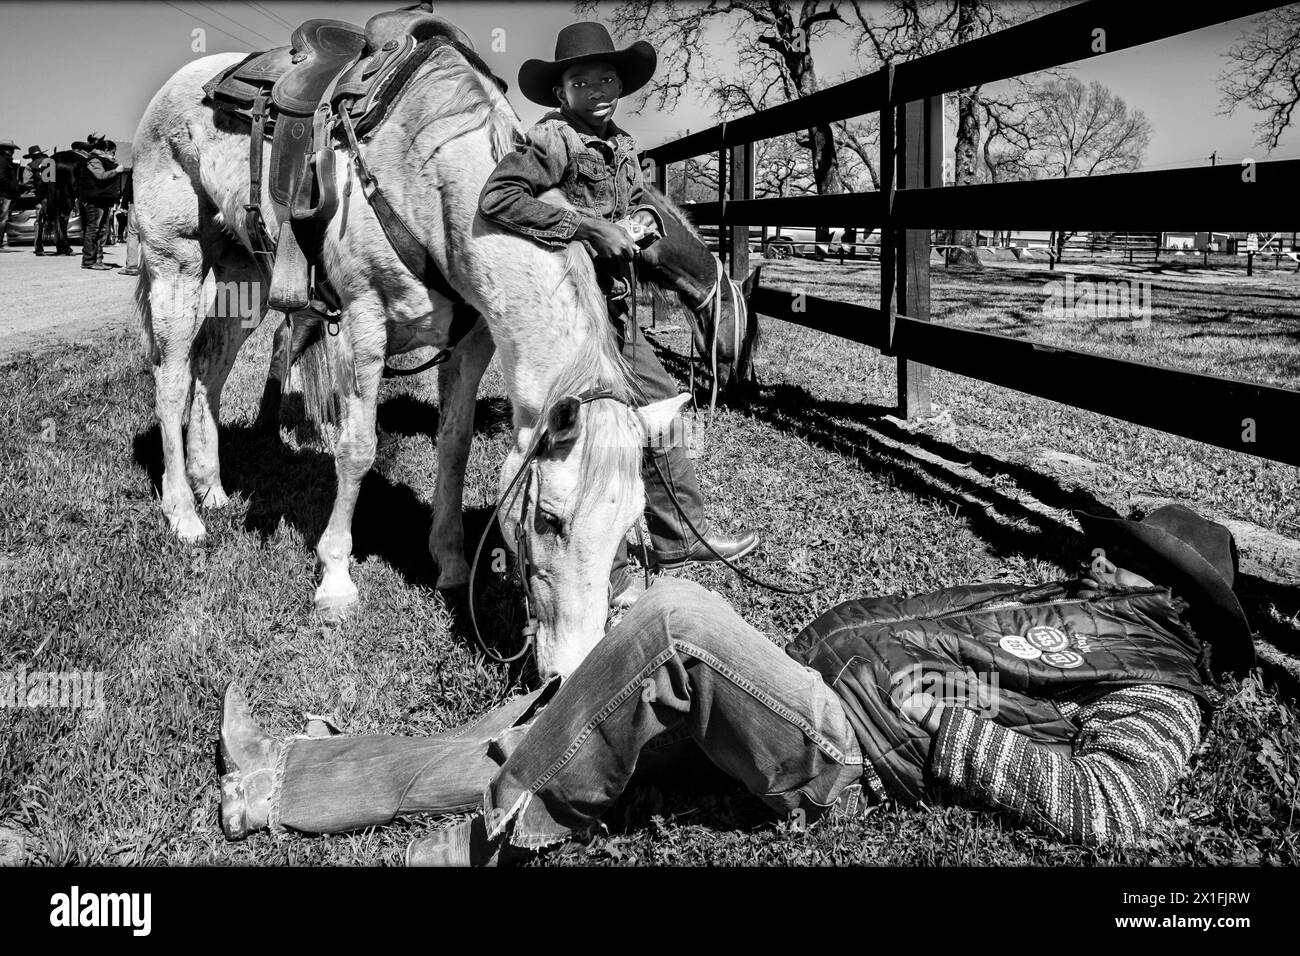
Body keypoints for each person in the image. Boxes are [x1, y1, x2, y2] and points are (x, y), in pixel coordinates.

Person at [218, 504, 1255, 864]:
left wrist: (950, 731)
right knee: (564, 702)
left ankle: (502, 828)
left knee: (673, 617)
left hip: (850, 758)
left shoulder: (1157, 684)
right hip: (817, 697)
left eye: (1129, 560)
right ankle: (285, 776)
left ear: (1169, 595)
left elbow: (1112, 810)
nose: (1102, 563)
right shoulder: (1079, 611)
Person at [478, 22, 759, 600]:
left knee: (666, 413)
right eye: (583, 80)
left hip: (622, 318)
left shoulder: (623, 145)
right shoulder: (553, 141)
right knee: (586, 439)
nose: (599, 88)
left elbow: (631, 204)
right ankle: (605, 572)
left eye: (608, 77)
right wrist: (586, 228)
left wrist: (642, 222)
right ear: (562, 93)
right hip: (575, 319)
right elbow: (499, 197)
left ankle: (679, 535)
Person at [74, 133, 119, 270]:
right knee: (93, 229)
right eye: (112, 152)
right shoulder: (94, 160)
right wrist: (116, 171)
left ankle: (98, 260)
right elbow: (100, 176)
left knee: (101, 230)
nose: (114, 155)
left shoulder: (102, 161)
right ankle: (88, 260)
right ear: (105, 151)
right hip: (94, 200)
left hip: (102, 199)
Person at [0, 138, 21, 249]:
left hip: (5, 193)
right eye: (9, 149)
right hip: (4, 194)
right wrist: (10, 188)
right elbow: (2, 178)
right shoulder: (3, 161)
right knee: (2, 219)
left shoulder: (6, 160)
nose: (12, 151)